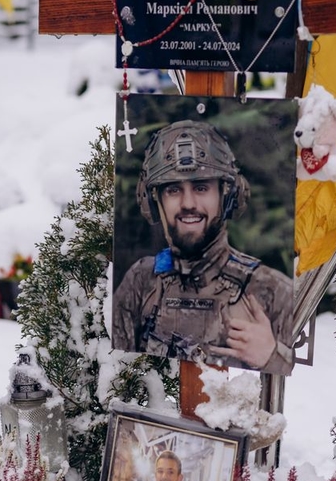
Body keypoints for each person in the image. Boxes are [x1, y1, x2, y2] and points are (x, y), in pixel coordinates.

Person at [110, 121, 295, 374]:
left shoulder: (275, 292)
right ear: (154, 203)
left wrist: (272, 357)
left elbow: (309, 393)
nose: (188, 203)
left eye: (201, 187)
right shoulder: (141, 281)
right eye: (174, 190)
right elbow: (118, 372)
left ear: (227, 196)